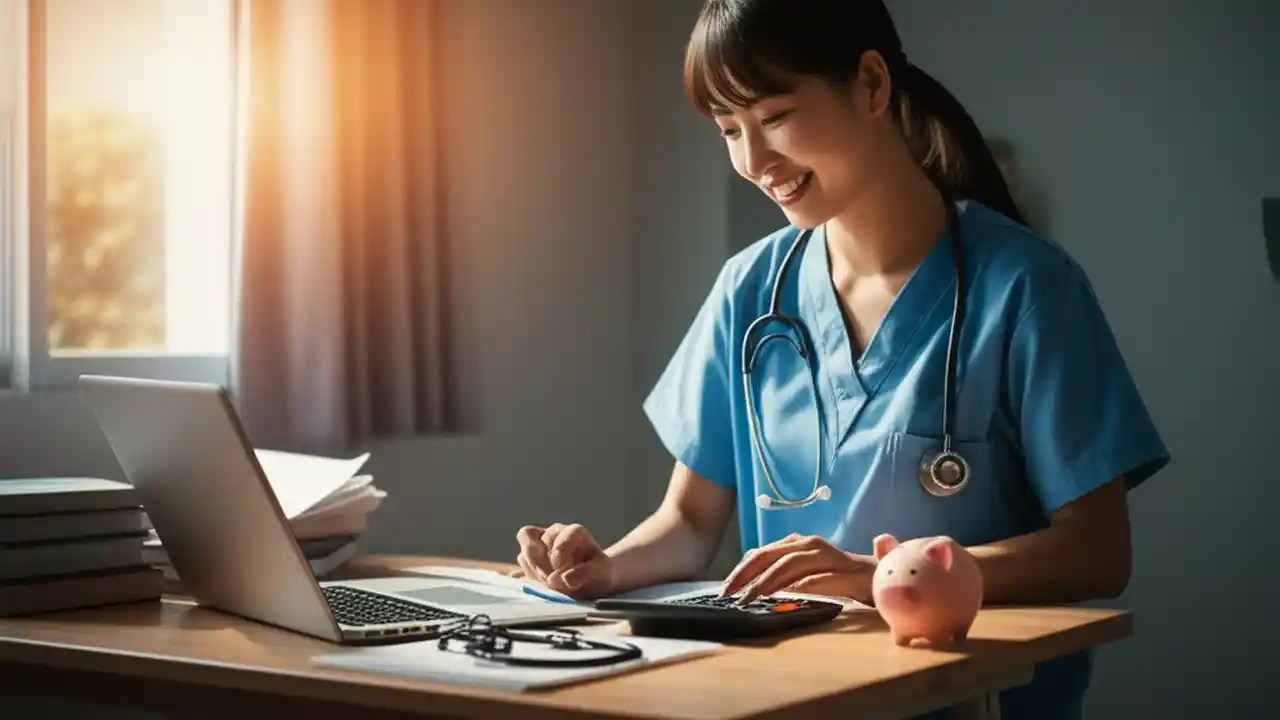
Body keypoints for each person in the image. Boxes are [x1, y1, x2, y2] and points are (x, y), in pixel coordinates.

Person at [513, 2, 1168, 718]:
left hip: (971, 700)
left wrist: (878, 575)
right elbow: (692, 521)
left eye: (776, 117)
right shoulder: (751, 290)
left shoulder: (1025, 288)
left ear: (872, 85)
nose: (753, 162)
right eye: (730, 131)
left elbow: (1099, 552)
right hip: (796, 696)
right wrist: (604, 568)